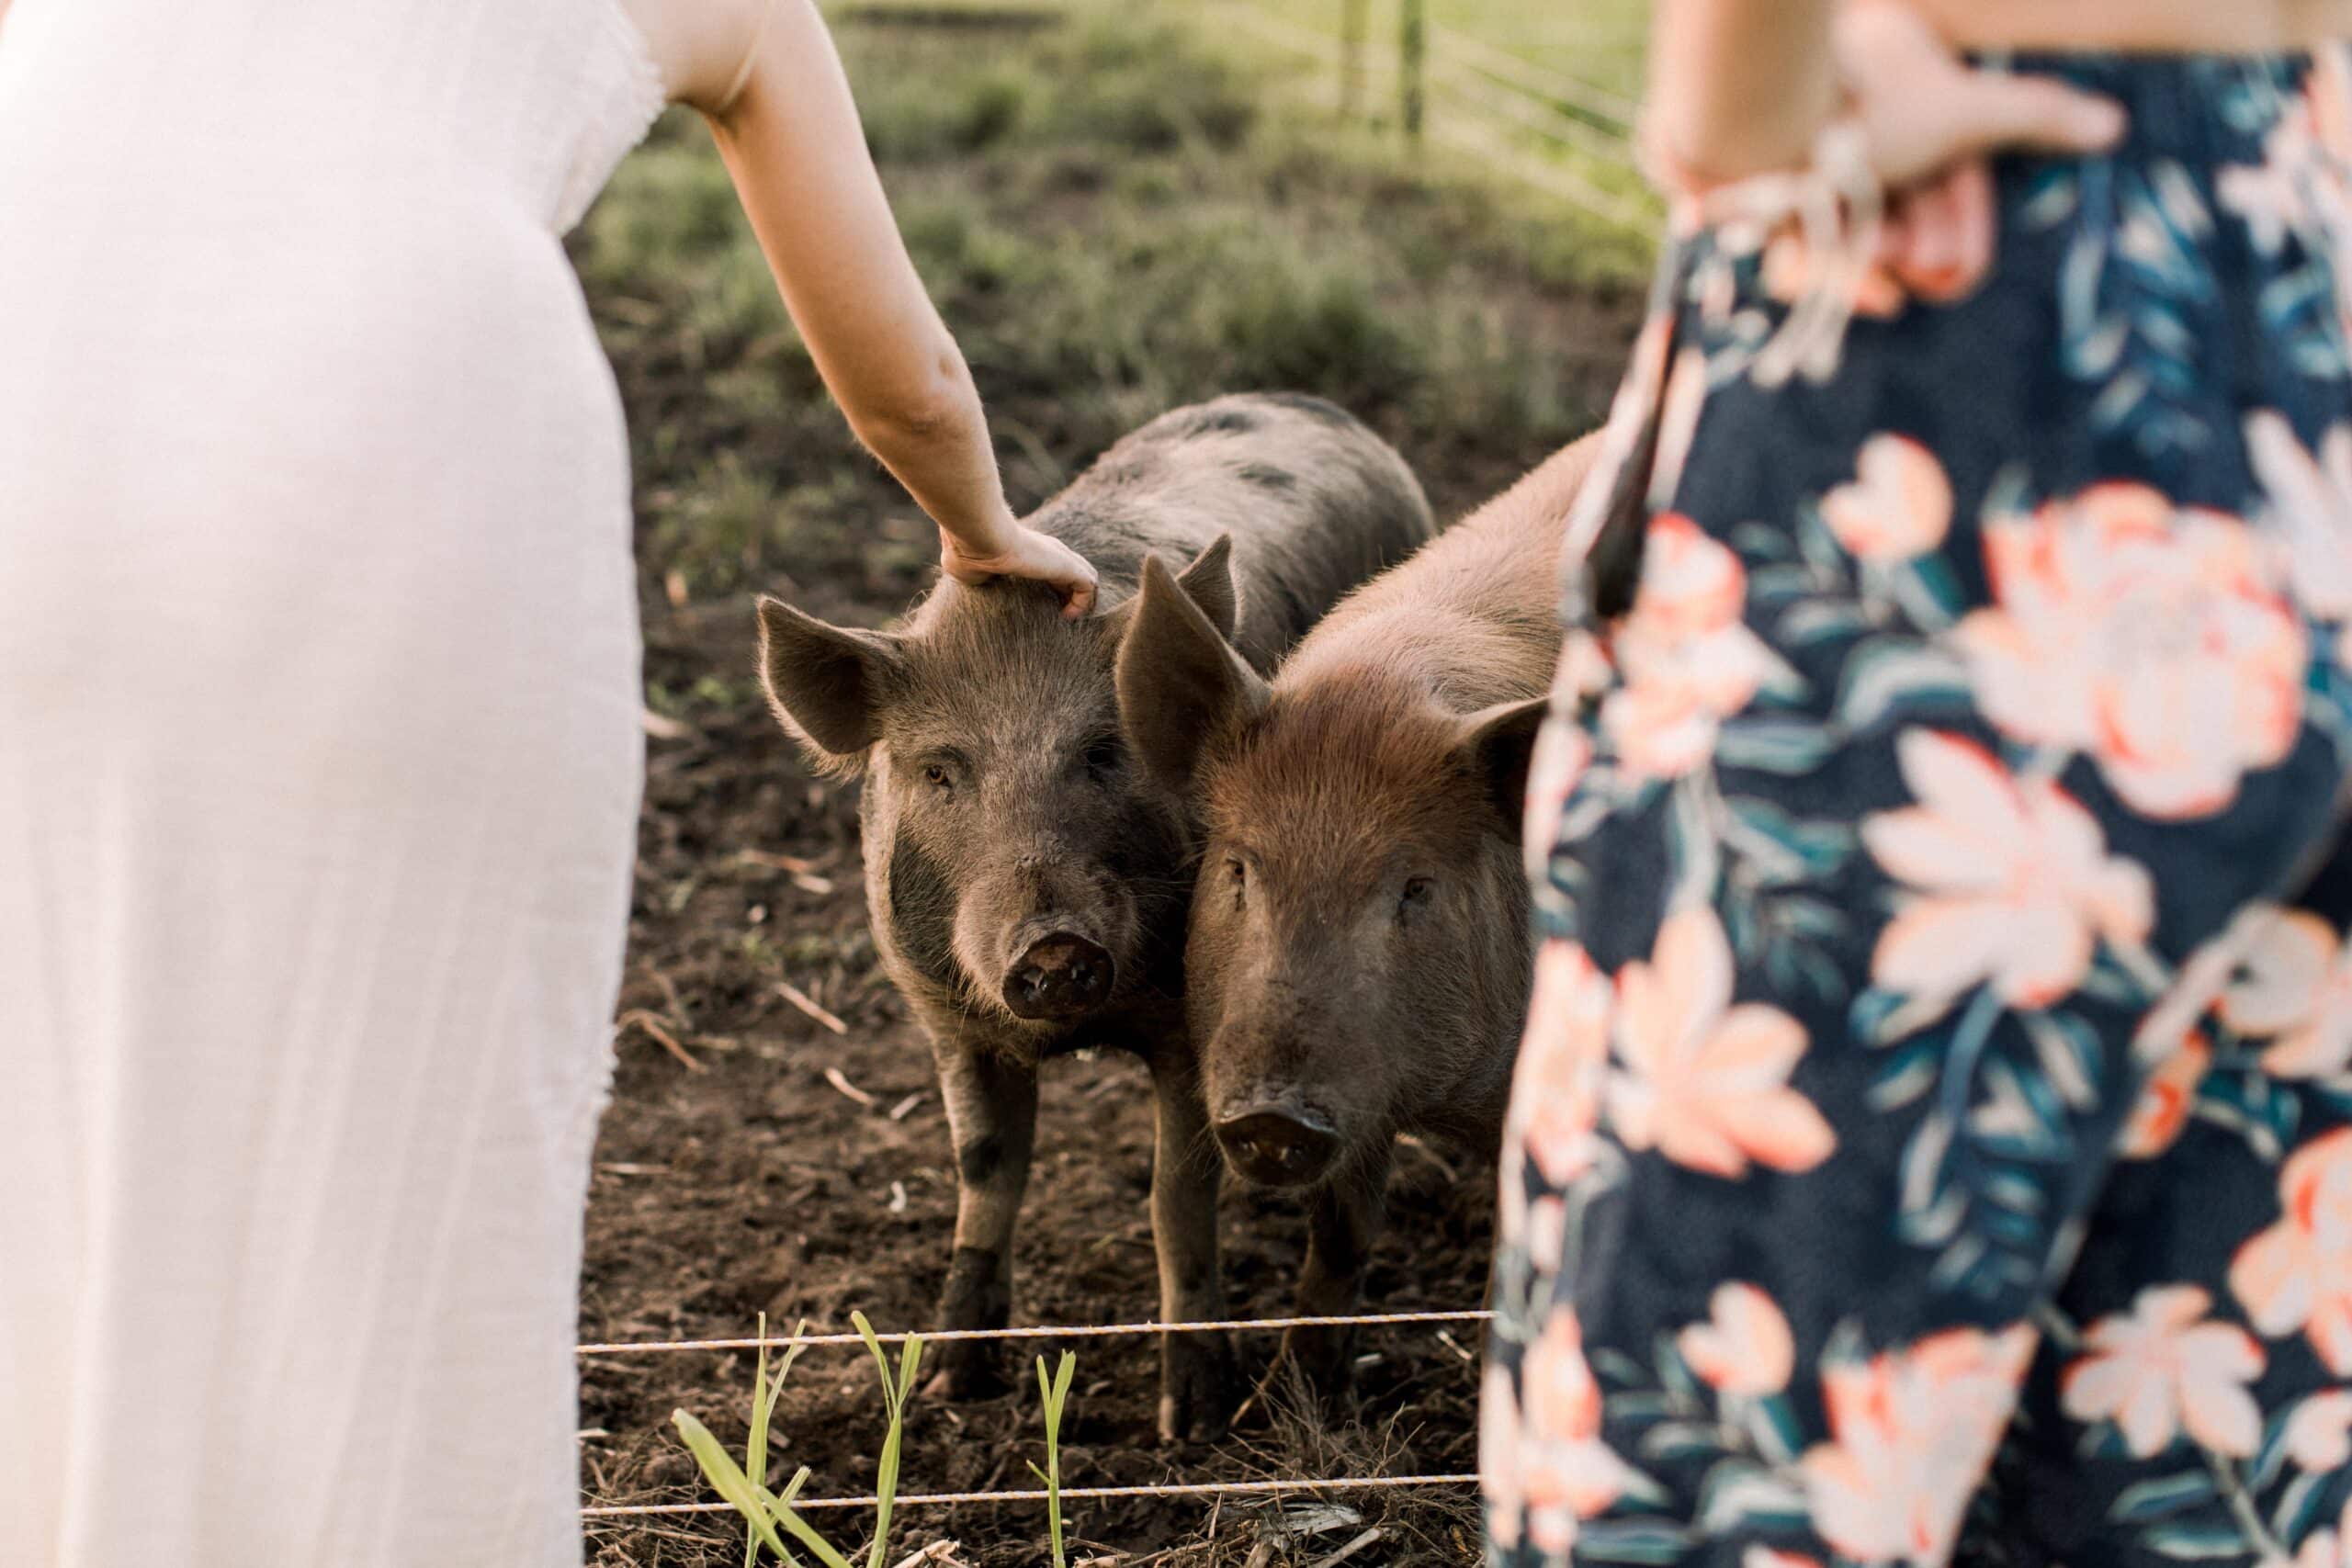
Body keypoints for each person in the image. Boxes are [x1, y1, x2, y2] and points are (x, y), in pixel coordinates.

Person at [0, 0, 1092, 1562]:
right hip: (408, 401)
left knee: (54, 1055)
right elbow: (904, 383)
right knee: (409, 1107)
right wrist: (985, 533)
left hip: (31, 372)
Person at [1487, 2, 2352, 1564]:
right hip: (2303, 292)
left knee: (1720, 1465)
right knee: (2200, 1430)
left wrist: (1744, 119)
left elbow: (1736, 103)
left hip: (1944, 336)